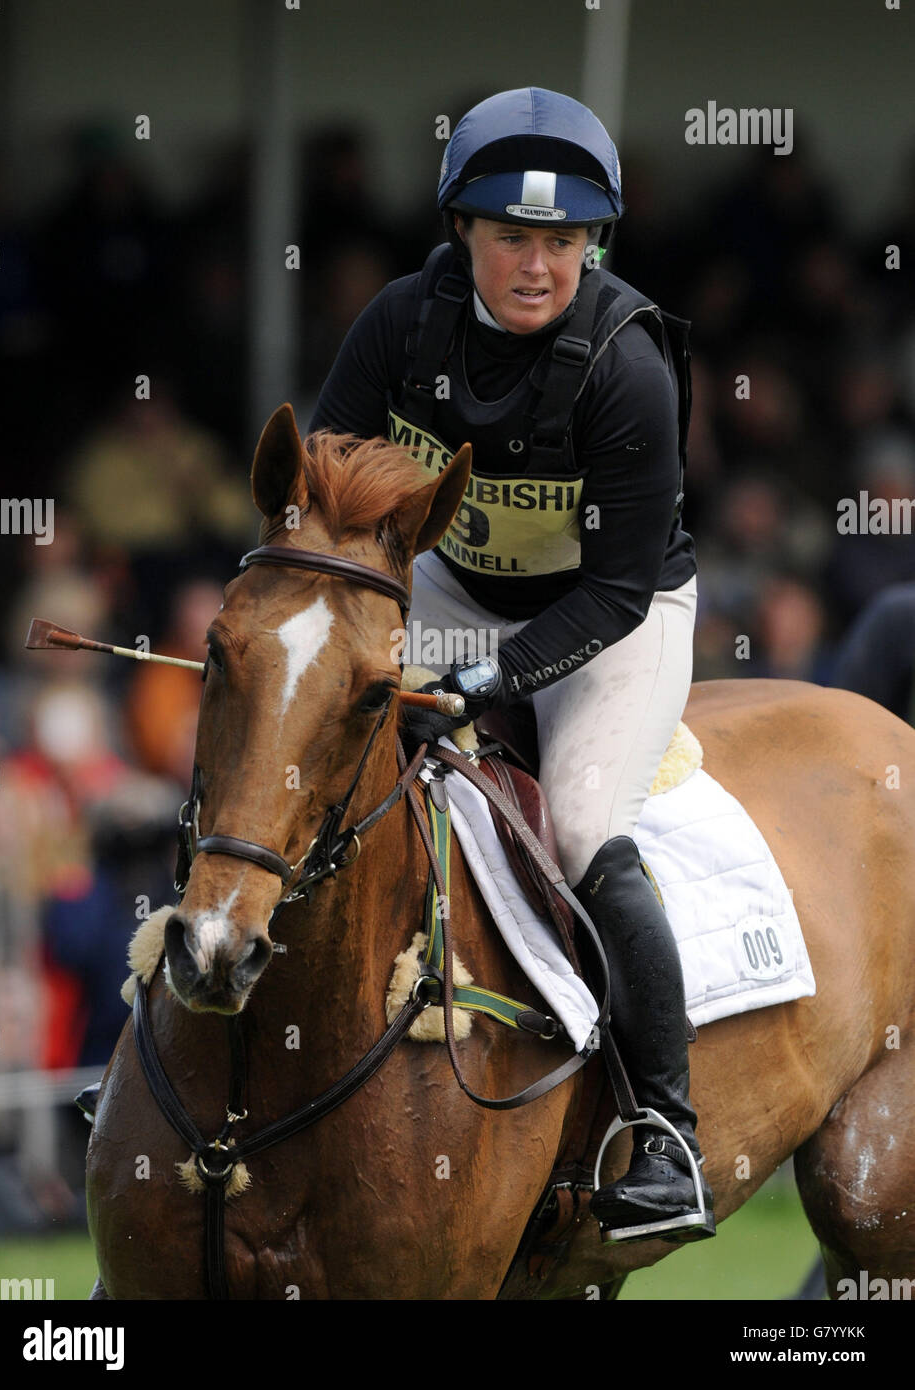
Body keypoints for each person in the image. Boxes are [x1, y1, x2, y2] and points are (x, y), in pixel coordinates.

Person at [310, 87, 712, 1242]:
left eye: (564, 241)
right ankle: (193, 1047)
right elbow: (332, 499)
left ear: (593, 244)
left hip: (611, 620)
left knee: (583, 825)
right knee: (301, 752)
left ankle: (669, 1134)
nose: (538, 264)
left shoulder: (627, 365)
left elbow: (616, 590)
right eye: (512, 237)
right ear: (464, 236)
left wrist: (479, 690)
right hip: (448, 590)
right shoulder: (398, 323)